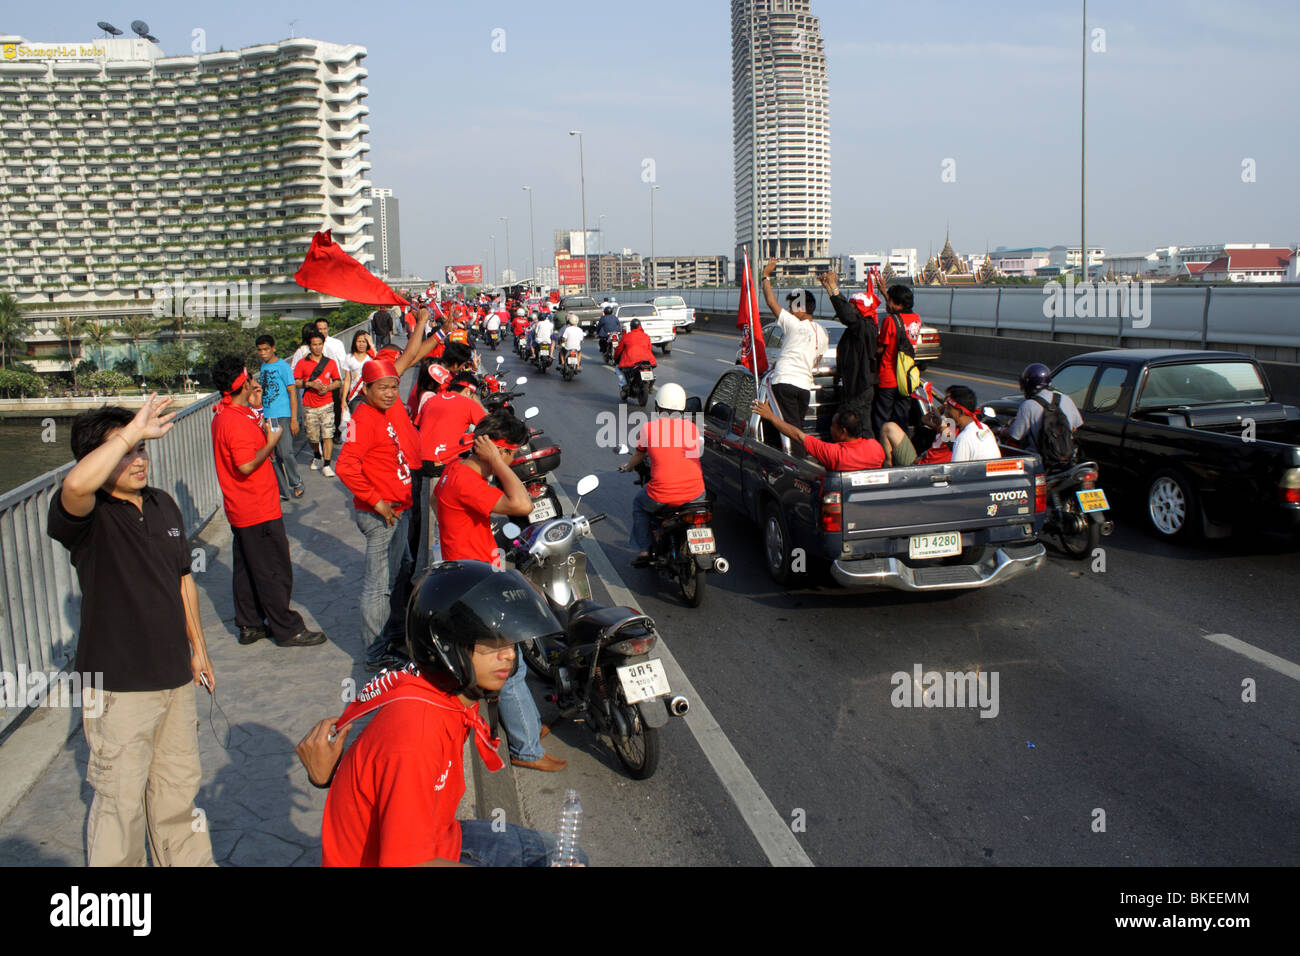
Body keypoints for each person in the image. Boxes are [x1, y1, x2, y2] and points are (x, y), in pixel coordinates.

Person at [296, 561, 584, 866]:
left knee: (566, 856)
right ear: (446, 647)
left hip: (437, 834)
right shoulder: (416, 739)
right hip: (409, 854)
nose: (510, 654)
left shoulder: (445, 693)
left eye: (510, 642)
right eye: (491, 644)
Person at [47, 397, 216, 867]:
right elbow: (76, 483)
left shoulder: (162, 504)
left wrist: (198, 651)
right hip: (118, 687)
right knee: (120, 806)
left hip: (174, 677)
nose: (139, 458)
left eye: (142, 449)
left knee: (178, 796)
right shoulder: (87, 514)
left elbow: (184, 580)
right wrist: (130, 431)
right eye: (126, 451)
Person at [434, 412, 566, 773]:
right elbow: (522, 504)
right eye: (511, 454)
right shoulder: (469, 479)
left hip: (474, 575)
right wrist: (496, 461)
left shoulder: (454, 470)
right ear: (496, 451)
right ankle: (526, 750)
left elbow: (436, 504)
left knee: (512, 667)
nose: (513, 461)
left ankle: (525, 726)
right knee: (509, 668)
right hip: (478, 585)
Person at [211, 356, 327, 648]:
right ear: (241, 384)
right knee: (274, 568)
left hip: (242, 508)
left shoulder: (226, 414)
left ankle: (250, 624)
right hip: (256, 507)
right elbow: (247, 465)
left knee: (248, 568)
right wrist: (272, 443)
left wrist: (258, 407)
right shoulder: (233, 422)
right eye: (249, 378)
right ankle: (287, 628)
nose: (254, 380)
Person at [334, 358, 424, 671]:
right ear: (367, 388)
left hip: (397, 510)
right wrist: (378, 502)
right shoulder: (365, 419)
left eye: (394, 387)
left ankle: (395, 631)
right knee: (378, 585)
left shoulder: (382, 412)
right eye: (382, 388)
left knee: (402, 570)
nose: (389, 393)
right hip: (382, 515)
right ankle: (375, 653)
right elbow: (345, 467)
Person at [618, 383, 706, 567]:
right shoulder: (692, 428)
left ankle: (644, 549)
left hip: (663, 494)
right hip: (697, 493)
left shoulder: (648, 429)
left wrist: (627, 467)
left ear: (657, 407)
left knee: (640, 506)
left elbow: (639, 454)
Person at [760, 258, 828, 427]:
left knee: (785, 430)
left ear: (801, 308)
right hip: (804, 386)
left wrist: (765, 276)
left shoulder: (793, 324)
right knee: (795, 426)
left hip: (784, 382)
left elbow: (770, 302)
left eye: (791, 307)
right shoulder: (822, 332)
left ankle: (795, 454)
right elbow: (815, 359)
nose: (789, 311)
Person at [819, 270, 878, 438]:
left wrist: (834, 287)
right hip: (852, 385)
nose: (850, 310)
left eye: (853, 307)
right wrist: (829, 288)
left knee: (861, 425)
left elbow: (846, 315)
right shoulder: (857, 329)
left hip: (860, 387)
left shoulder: (865, 328)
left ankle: (870, 457)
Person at [751, 397, 884, 470]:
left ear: (843, 431)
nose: (830, 428)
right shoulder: (875, 447)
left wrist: (770, 416)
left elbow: (797, 435)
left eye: (833, 426)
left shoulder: (834, 453)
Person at [255, 334, 303, 501]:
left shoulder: (283, 366)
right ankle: (282, 488)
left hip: (282, 414)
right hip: (269, 416)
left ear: (273, 348)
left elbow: (292, 392)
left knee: (286, 452)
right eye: (260, 350)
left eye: (266, 349)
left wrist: (294, 418)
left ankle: (296, 482)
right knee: (273, 454)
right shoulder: (263, 367)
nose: (263, 353)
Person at [1001, 362, 1083, 459]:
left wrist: (1003, 430)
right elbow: (1076, 427)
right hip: (1067, 458)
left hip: (1040, 461)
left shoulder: (1028, 405)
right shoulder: (1066, 399)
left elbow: (1015, 435)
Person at [873, 281, 922, 437]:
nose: (887, 303)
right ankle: (902, 452)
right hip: (906, 378)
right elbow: (899, 310)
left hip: (888, 377)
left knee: (882, 419)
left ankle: (884, 453)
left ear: (897, 303)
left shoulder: (890, 321)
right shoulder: (916, 319)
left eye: (889, 300)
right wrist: (884, 292)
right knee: (901, 419)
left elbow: (880, 348)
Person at [294, 331, 342, 476]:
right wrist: (310, 384)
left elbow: (338, 381)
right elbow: (296, 382)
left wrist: (328, 387)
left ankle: (327, 464)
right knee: (313, 436)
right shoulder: (302, 363)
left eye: (320, 344)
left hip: (327, 403)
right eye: (314, 345)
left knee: (328, 434)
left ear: (323, 345)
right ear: (309, 346)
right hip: (309, 405)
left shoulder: (330, 363)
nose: (317, 347)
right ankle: (316, 455)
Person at [945, 385, 1001, 462]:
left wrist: (941, 425)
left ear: (961, 412)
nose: (946, 412)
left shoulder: (964, 438)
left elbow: (956, 472)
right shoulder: (984, 427)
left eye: (948, 408)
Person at [615, 318, 656, 399]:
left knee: (617, 368)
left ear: (631, 327)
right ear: (640, 326)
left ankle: (624, 385)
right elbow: (649, 348)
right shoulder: (646, 336)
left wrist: (616, 358)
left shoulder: (626, 336)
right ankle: (651, 384)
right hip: (647, 360)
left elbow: (619, 350)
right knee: (650, 368)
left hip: (630, 362)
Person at [341, 330, 375, 416]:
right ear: (354, 342)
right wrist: (344, 399)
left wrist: (372, 345)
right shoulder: (349, 357)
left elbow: (380, 360)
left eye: (364, 341)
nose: (361, 344)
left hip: (369, 395)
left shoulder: (371, 357)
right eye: (359, 341)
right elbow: (347, 380)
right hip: (354, 396)